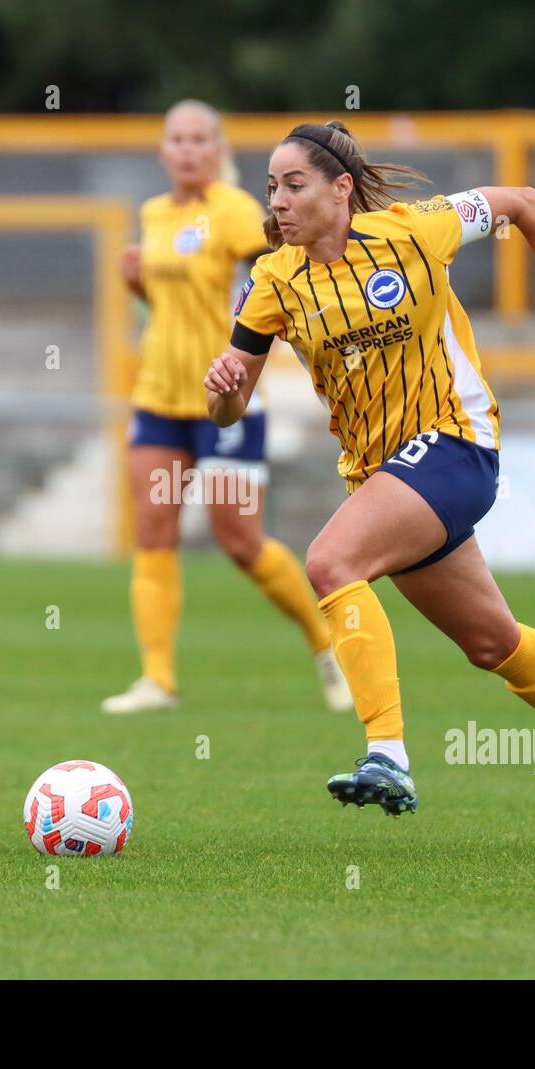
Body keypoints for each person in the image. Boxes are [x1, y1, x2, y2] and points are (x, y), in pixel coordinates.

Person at [204, 121, 535, 846]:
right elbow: (230, 406)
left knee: (331, 562)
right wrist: (226, 389)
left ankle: (387, 754)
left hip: (456, 442)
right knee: (494, 643)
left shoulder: (416, 230)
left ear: (341, 188)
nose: (279, 201)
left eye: (293, 184)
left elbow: (524, 202)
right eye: (271, 187)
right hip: (385, 476)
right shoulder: (273, 280)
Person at [102, 101, 352, 716]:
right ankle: (157, 680)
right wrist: (136, 282)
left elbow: (275, 264)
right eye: (176, 139)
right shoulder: (154, 213)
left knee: (239, 540)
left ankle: (327, 645)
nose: (187, 149)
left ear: (217, 149)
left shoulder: (238, 211)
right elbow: (166, 304)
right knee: (153, 533)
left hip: (228, 398)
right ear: (163, 151)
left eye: (198, 139)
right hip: (159, 394)